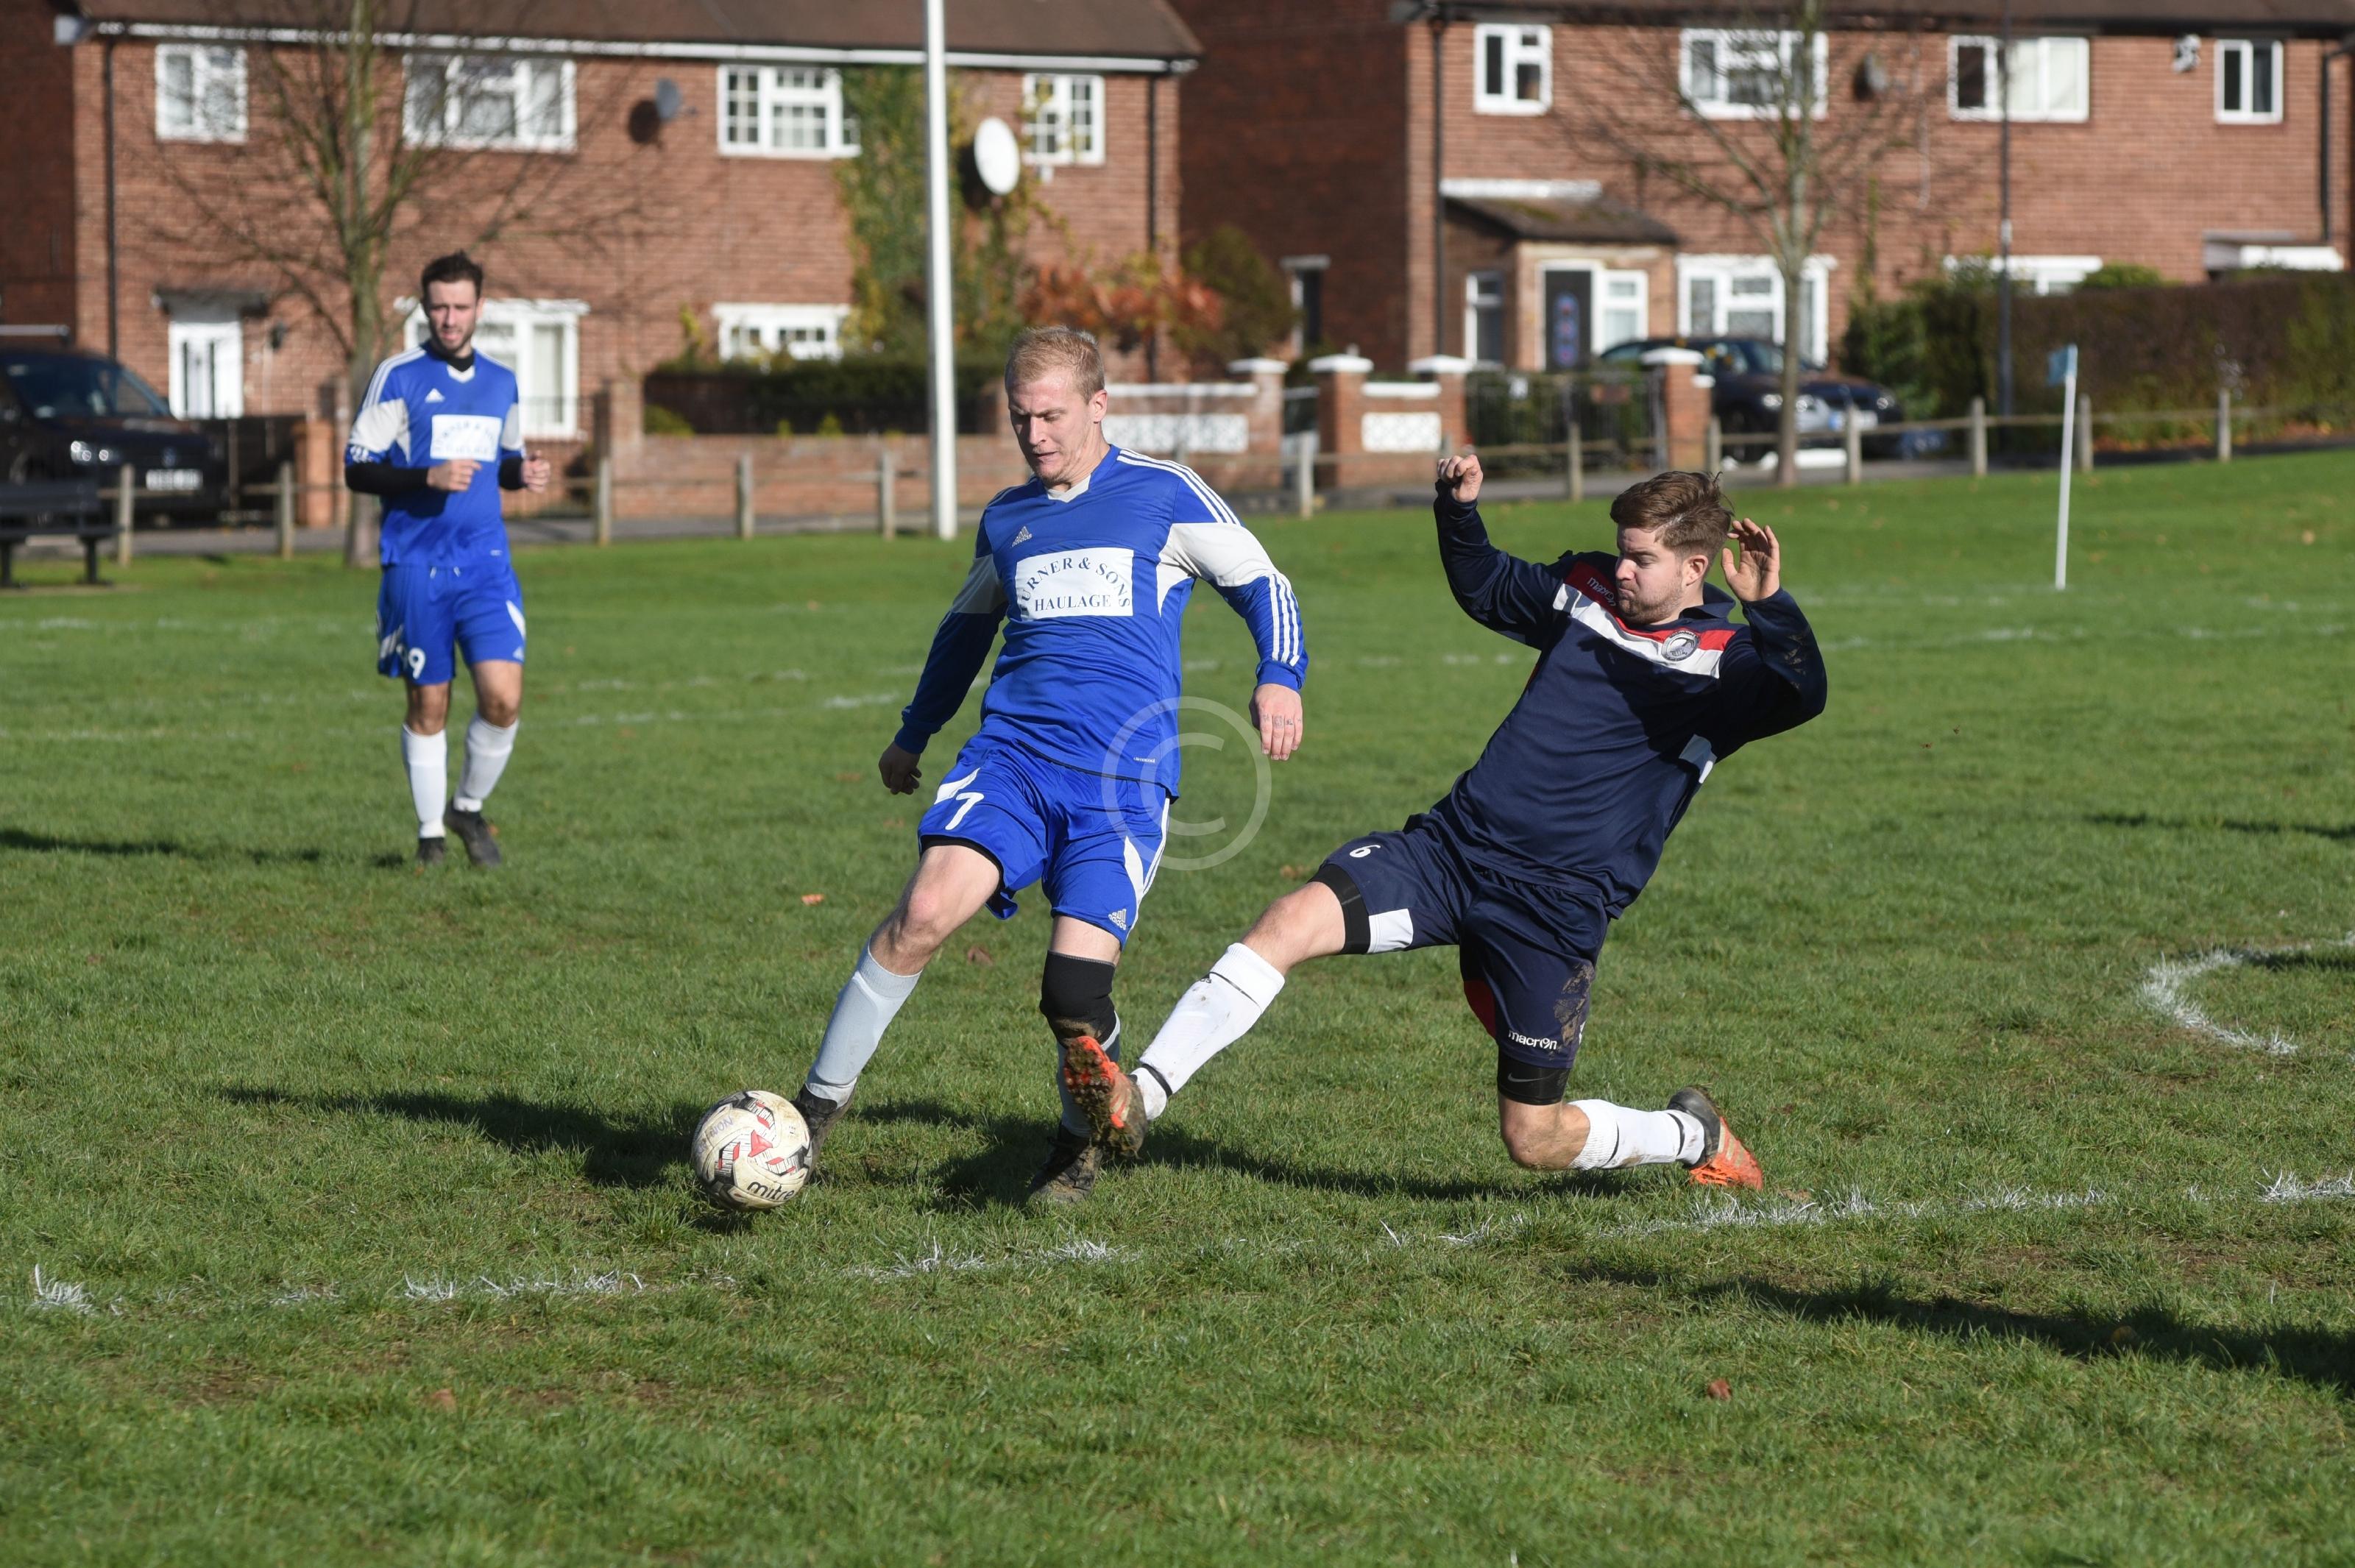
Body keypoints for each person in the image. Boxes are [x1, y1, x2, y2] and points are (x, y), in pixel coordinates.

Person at [1063, 458, 1827, 1188]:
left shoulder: (1726, 665)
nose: (1621, 568)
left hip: (1552, 906)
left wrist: (1770, 607)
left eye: (1641, 559)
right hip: (1453, 849)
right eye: (1621, 551)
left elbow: (1801, 694)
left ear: (1695, 568)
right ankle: (1140, 1097)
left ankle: (1691, 1134)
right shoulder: (1586, 589)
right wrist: (1458, 513)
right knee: (1289, 920)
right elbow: (1488, 586)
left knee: (1533, 1137)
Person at [784, 325, 1308, 1204]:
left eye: (1052, 416)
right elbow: (962, 633)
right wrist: (913, 732)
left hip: (1120, 784)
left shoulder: (1163, 494)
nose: (1034, 436)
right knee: (920, 914)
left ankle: (1077, 1145)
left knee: (1070, 992)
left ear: (1099, 406)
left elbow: (1265, 583)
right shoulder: (1007, 517)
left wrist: (1278, 675)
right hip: (1013, 762)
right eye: (1019, 418)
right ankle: (806, 1120)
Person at [345, 250, 550, 868]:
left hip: (486, 565)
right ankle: (431, 836)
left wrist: (522, 473)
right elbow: (358, 468)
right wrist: (425, 476)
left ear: (480, 307)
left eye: (461, 307)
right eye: (439, 307)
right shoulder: (398, 376)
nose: (450, 318)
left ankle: (467, 806)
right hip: (417, 565)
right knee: (428, 704)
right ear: (424, 308)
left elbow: (502, 458)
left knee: (503, 698)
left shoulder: (501, 382)